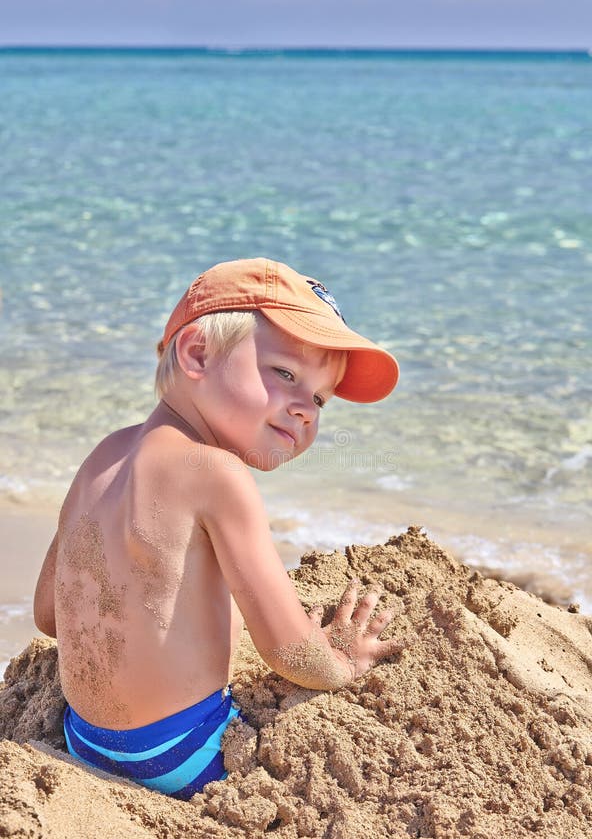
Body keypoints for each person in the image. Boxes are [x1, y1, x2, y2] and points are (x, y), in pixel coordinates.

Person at [33, 257, 401, 800]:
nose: (305, 410)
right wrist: (341, 660)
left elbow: (48, 615)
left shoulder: (103, 455)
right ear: (198, 353)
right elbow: (289, 653)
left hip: (83, 739)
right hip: (182, 753)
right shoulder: (219, 474)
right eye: (286, 374)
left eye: (320, 400)